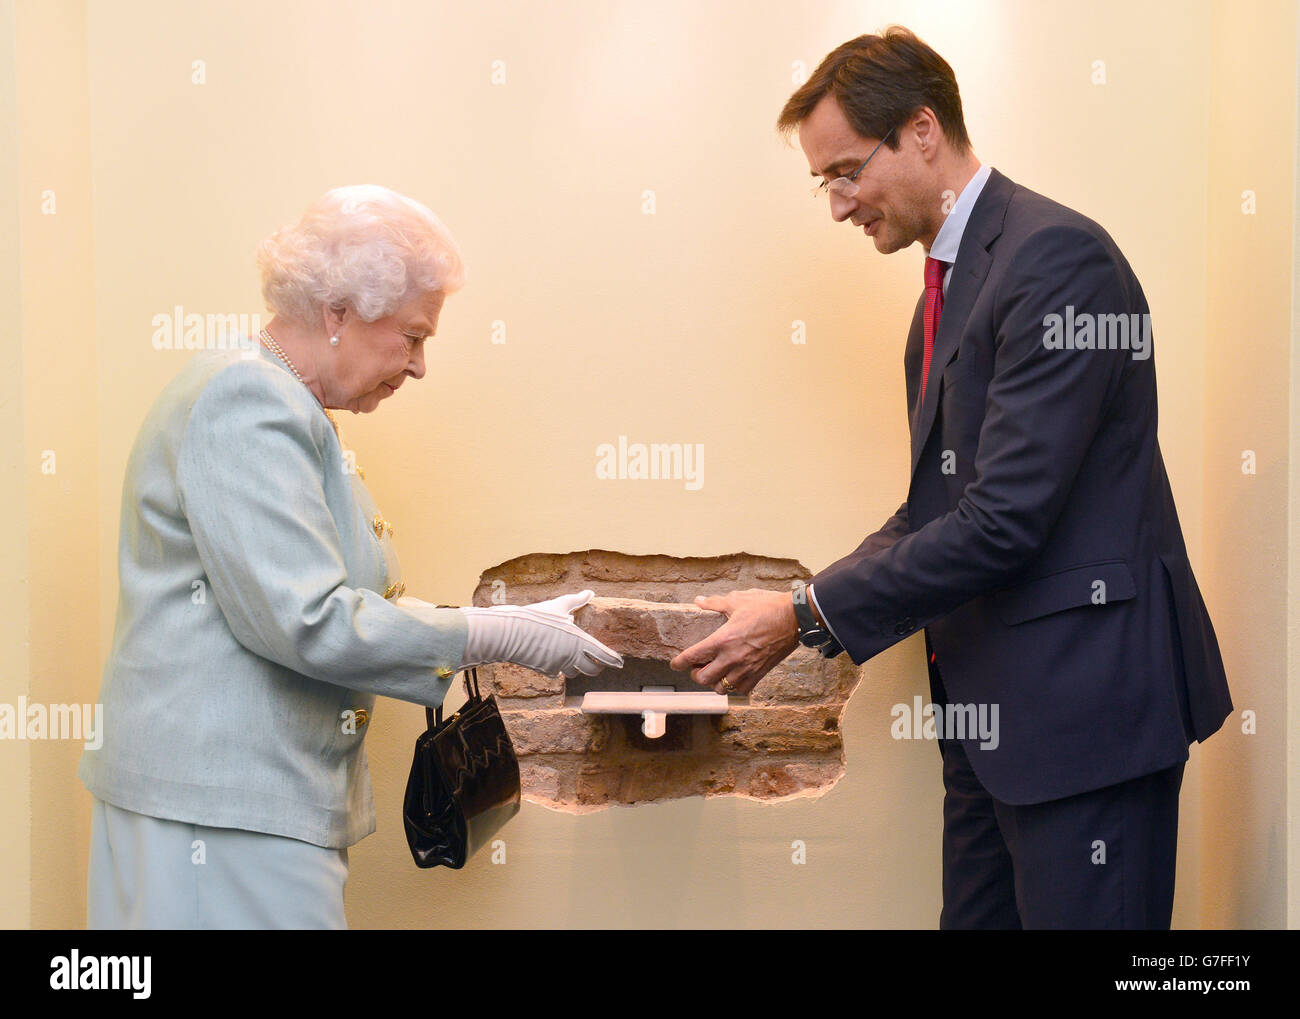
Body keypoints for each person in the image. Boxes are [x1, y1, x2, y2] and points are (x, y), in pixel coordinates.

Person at [671, 27, 1232, 929]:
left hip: (1083, 725)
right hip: (991, 729)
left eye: (847, 171)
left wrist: (806, 616)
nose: (839, 205)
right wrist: (797, 604)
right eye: (826, 181)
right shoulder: (945, 290)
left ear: (923, 130)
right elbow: (935, 510)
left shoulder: (1057, 262)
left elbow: (1004, 521)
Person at [79, 184, 622, 929]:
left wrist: (505, 621)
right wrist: (496, 634)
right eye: (414, 335)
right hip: (219, 814)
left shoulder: (286, 404)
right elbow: (308, 618)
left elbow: (332, 597)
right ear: (338, 311)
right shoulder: (250, 398)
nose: (421, 364)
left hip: (243, 810)